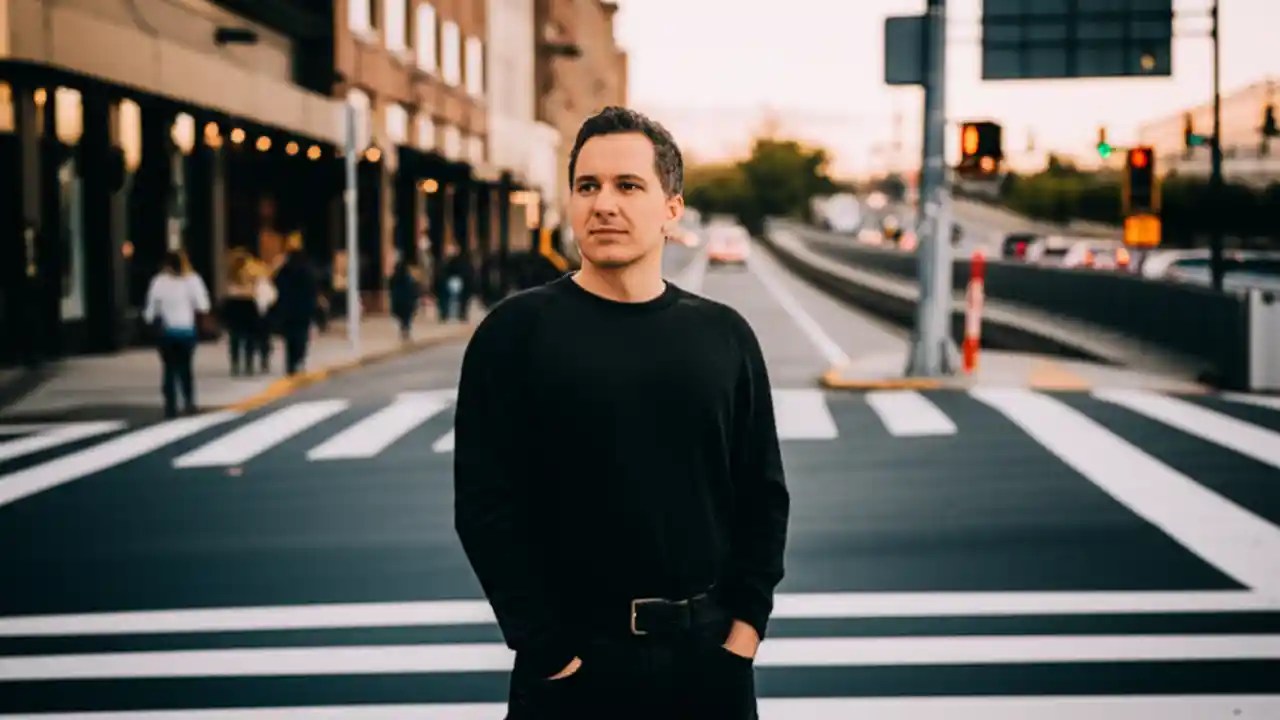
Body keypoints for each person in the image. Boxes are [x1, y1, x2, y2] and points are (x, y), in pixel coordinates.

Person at [453, 107, 790, 720]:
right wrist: (551, 654)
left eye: (628, 186)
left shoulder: (725, 335)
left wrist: (743, 637)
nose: (603, 203)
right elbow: (484, 509)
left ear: (671, 207)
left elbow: (762, 496)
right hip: (574, 669)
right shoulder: (515, 333)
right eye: (588, 186)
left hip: (708, 663)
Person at [143, 249, 211, 418]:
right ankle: (189, 402)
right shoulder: (193, 280)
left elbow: (150, 310)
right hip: (187, 331)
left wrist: (150, 321)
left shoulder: (159, 281)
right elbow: (203, 306)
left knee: (169, 369)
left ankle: (170, 406)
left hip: (167, 332)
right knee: (186, 368)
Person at [271, 237, 318, 376]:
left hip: (288, 309)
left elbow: (277, 283)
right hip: (303, 310)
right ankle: (299, 360)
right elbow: (312, 289)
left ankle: (291, 363)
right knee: (301, 337)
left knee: (290, 338)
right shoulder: (307, 270)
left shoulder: (285, 270)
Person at [389, 258, 421, 341]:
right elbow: (414, 290)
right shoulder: (409, 279)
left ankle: (404, 330)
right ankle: (406, 331)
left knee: (402, 318)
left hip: (398, 302)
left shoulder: (394, 278)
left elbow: (391, 290)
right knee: (407, 318)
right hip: (408, 303)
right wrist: (415, 299)